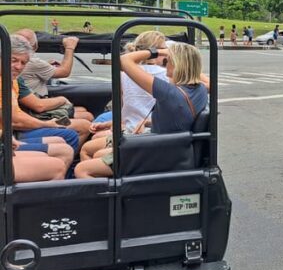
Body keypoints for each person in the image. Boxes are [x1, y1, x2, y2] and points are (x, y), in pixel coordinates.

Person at [74, 43, 209, 178]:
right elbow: (177, 119)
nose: (165, 63)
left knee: (81, 169)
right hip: (174, 150)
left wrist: (159, 51)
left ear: (177, 65)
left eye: (168, 60)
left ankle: (111, 197)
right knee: (99, 155)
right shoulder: (201, 90)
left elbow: (124, 60)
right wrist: (148, 123)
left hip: (155, 153)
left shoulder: (168, 92)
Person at [7, 36, 82, 153]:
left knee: (66, 136)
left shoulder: (13, 79)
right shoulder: (11, 78)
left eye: (23, 63)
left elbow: (16, 114)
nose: (18, 66)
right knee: (71, 136)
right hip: (11, 135)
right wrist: (47, 123)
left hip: (12, 130)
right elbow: (37, 107)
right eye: (13, 60)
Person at [16, 29, 79, 98]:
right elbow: (64, 72)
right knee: (81, 109)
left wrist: (46, 65)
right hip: (33, 104)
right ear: (35, 47)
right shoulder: (33, 63)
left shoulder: (8, 60)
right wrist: (69, 48)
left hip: (23, 102)